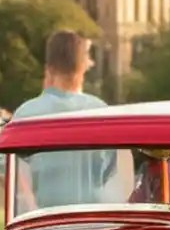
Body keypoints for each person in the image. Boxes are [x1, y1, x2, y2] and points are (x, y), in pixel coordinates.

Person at [11, 30, 130, 212]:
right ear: (83, 66)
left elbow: (9, 170)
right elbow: (109, 172)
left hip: (43, 221)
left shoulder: (26, 114)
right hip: (90, 221)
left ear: (49, 68)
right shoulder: (101, 112)